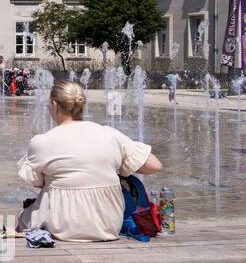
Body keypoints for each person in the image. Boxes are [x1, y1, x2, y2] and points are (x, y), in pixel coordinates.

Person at [16, 80, 163, 242]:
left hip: (62, 225)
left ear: (54, 105)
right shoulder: (110, 134)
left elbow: (36, 182)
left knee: (23, 218)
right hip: (107, 225)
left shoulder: (41, 142)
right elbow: (155, 166)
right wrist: (116, 167)